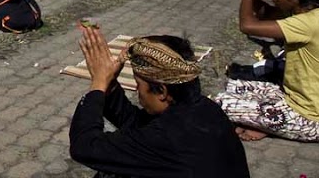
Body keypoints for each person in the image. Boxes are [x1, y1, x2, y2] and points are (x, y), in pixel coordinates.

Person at [69, 27, 250, 177]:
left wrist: (98, 84)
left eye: (138, 84)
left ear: (162, 91)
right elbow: (137, 126)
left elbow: (85, 146)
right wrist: (110, 84)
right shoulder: (203, 109)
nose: (137, 91)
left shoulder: (168, 138)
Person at [220, 0, 319, 142]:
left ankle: (264, 123)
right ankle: (264, 122)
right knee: (234, 86)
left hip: (312, 120)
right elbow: (267, 14)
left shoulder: (308, 23)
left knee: (221, 104)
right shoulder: (313, 11)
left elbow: (247, 25)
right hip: (295, 97)